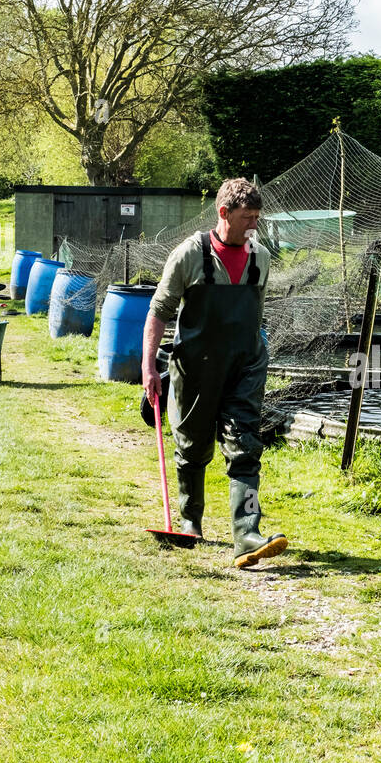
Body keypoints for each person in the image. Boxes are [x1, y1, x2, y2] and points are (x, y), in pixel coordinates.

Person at [142, 179, 287, 569]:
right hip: (196, 367)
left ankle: (247, 533)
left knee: (245, 448)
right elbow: (159, 310)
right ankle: (190, 521)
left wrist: (257, 353)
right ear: (223, 214)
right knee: (191, 447)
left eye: (257, 218)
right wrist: (149, 364)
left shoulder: (261, 257)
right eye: (246, 218)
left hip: (246, 365)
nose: (253, 226)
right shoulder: (189, 254)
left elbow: (255, 312)